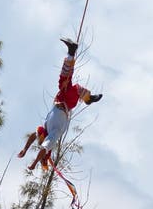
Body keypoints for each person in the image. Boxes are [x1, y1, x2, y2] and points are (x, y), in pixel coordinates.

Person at [18, 38, 102, 171]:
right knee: (71, 86)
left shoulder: (46, 127)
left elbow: (33, 135)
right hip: (66, 104)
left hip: (61, 99)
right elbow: (44, 148)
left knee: (65, 81)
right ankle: (88, 98)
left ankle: (71, 52)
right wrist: (34, 164)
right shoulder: (54, 135)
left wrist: (25, 149)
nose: (40, 139)